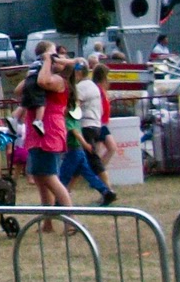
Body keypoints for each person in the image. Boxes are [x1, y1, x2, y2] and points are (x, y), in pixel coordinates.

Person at [24, 47, 77, 232]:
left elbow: (43, 80)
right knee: (40, 178)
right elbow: (22, 88)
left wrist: (47, 60)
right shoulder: (48, 77)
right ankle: (48, 222)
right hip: (39, 131)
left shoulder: (59, 81)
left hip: (49, 131)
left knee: (50, 177)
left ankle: (72, 221)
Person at [71, 64, 117, 204]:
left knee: (91, 159)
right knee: (79, 160)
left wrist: (70, 119)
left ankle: (108, 190)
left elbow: (76, 105)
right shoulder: (93, 86)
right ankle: (67, 189)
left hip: (86, 126)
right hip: (95, 124)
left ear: (79, 73)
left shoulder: (81, 87)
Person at [90, 63, 119, 170]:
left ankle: (97, 171)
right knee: (106, 149)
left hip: (102, 123)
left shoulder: (101, 90)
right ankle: (97, 172)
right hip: (99, 123)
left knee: (102, 150)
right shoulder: (98, 90)